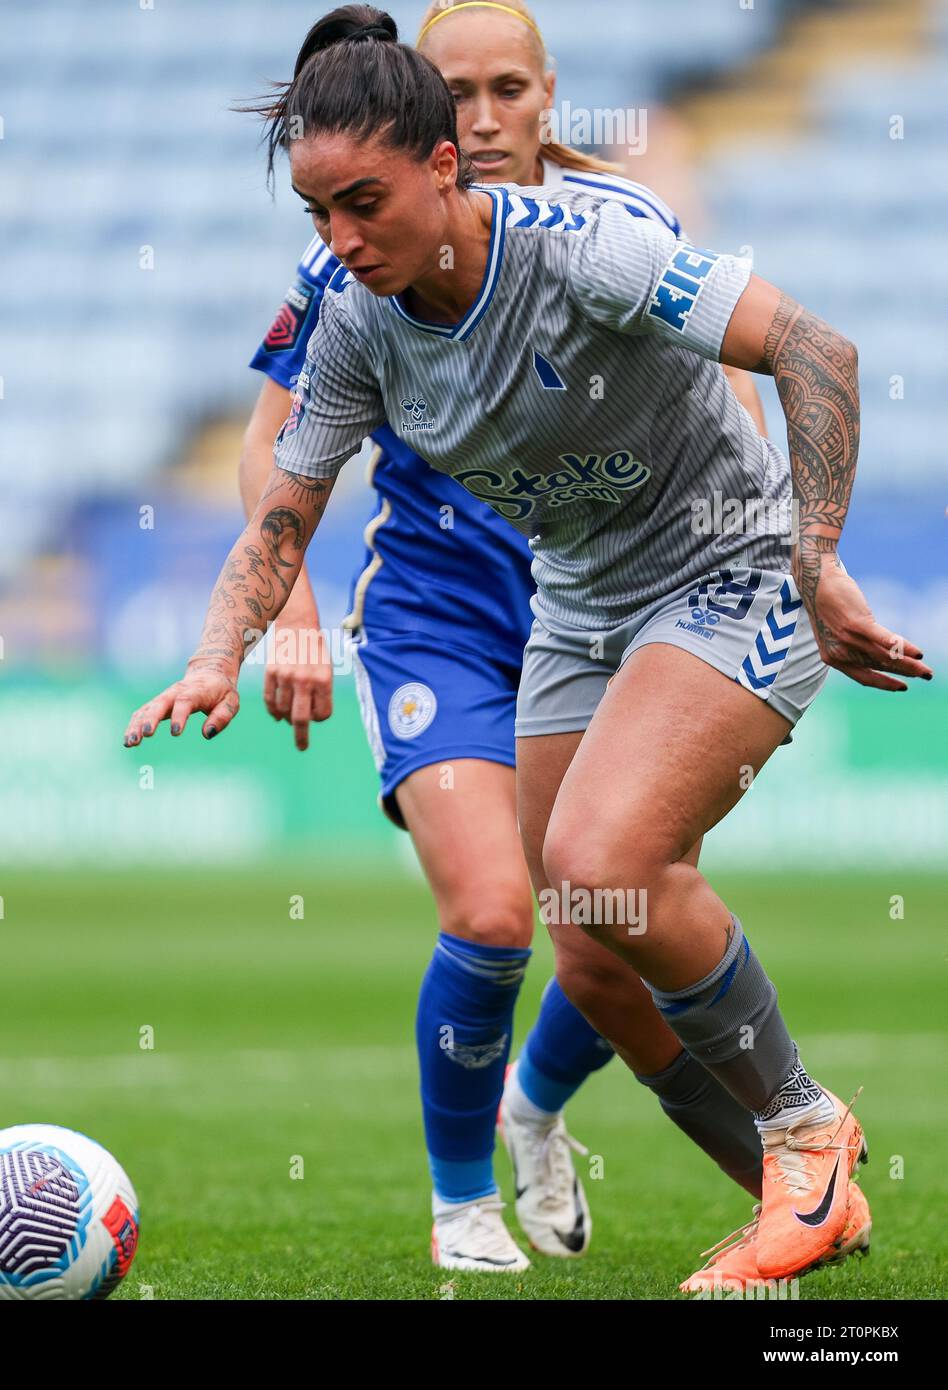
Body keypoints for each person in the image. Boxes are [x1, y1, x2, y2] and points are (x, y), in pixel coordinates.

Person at [125, 6, 930, 1288]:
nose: (338, 241)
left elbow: (813, 349)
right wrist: (225, 647)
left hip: (724, 567)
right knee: (594, 949)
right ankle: (802, 1202)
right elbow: (285, 509)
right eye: (316, 214)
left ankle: (808, 1137)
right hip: (576, 598)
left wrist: (815, 551)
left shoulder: (597, 242)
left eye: (362, 204)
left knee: (609, 855)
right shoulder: (350, 315)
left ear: (446, 162)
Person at [238, 0, 777, 1276]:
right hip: (435, 614)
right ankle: (461, 1196)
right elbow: (276, 443)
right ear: (417, 113)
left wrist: (793, 545)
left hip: (613, 601)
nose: (480, 121)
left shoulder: (611, 226)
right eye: (453, 93)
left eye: (504, 92)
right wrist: (291, 609)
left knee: (602, 922)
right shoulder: (352, 261)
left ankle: (545, 1107)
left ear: (547, 96)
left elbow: (728, 372)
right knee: (495, 913)